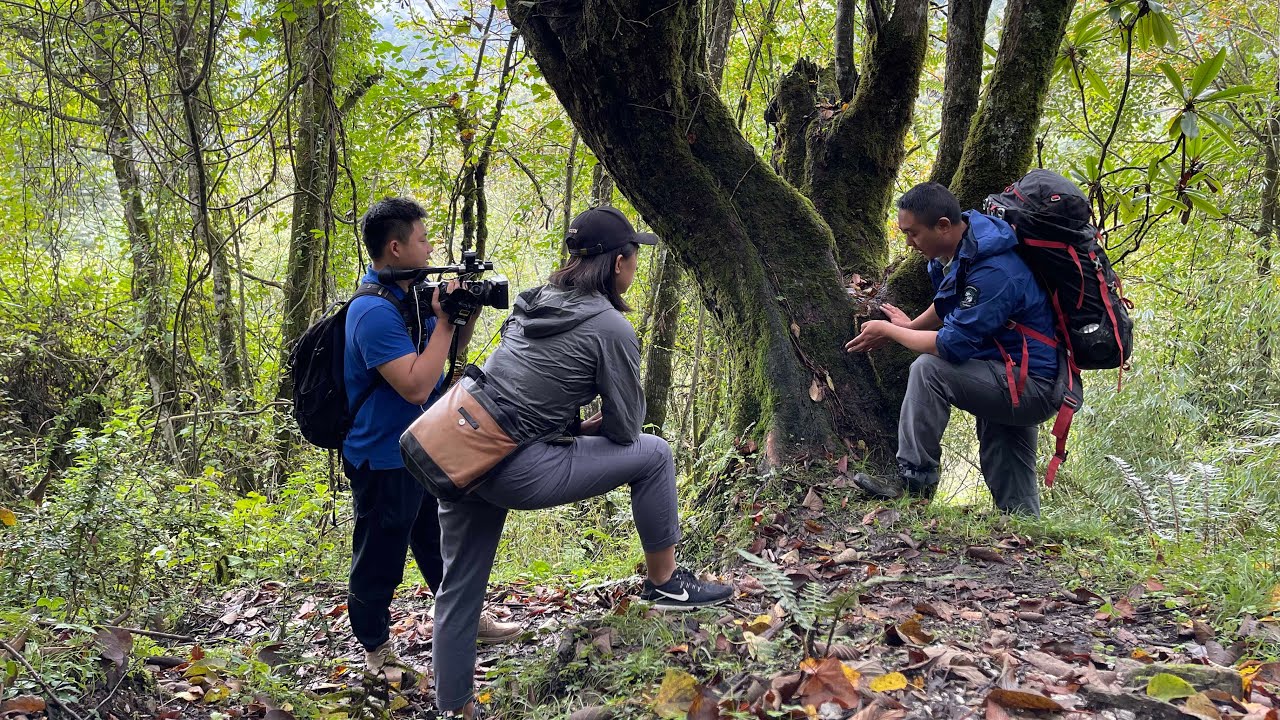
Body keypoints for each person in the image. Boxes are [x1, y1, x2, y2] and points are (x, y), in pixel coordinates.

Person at [430, 206, 734, 719]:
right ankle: (667, 584)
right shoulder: (610, 327)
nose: (635, 267)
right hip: (517, 466)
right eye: (633, 257)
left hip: (462, 449)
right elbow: (626, 430)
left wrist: (570, 427)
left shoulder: (533, 301)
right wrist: (591, 423)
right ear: (618, 263)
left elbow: (525, 391)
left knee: (459, 588)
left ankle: (453, 709)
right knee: (656, 454)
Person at [343, 197, 519, 684]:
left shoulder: (409, 298)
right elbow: (417, 384)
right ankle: (376, 647)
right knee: (380, 553)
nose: (430, 247)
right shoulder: (372, 313)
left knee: (439, 543)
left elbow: (445, 366)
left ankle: (466, 620)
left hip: (421, 445)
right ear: (396, 248)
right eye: (423, 239)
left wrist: (462, 320)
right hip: (381, 456)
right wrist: (443, 322)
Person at [844, 182, 1061, 516]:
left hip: (1030, 384)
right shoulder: (960, 251)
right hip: (1008, 372)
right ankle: (1026, 531)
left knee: (928, 370)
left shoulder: (994, 269)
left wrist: (889, 331)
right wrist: (911, 327)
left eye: (913, 233)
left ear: (943, 225)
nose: (909, 243)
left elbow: (950, 346)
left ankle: (914, 483)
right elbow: (950, 302)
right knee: (1005, 456)